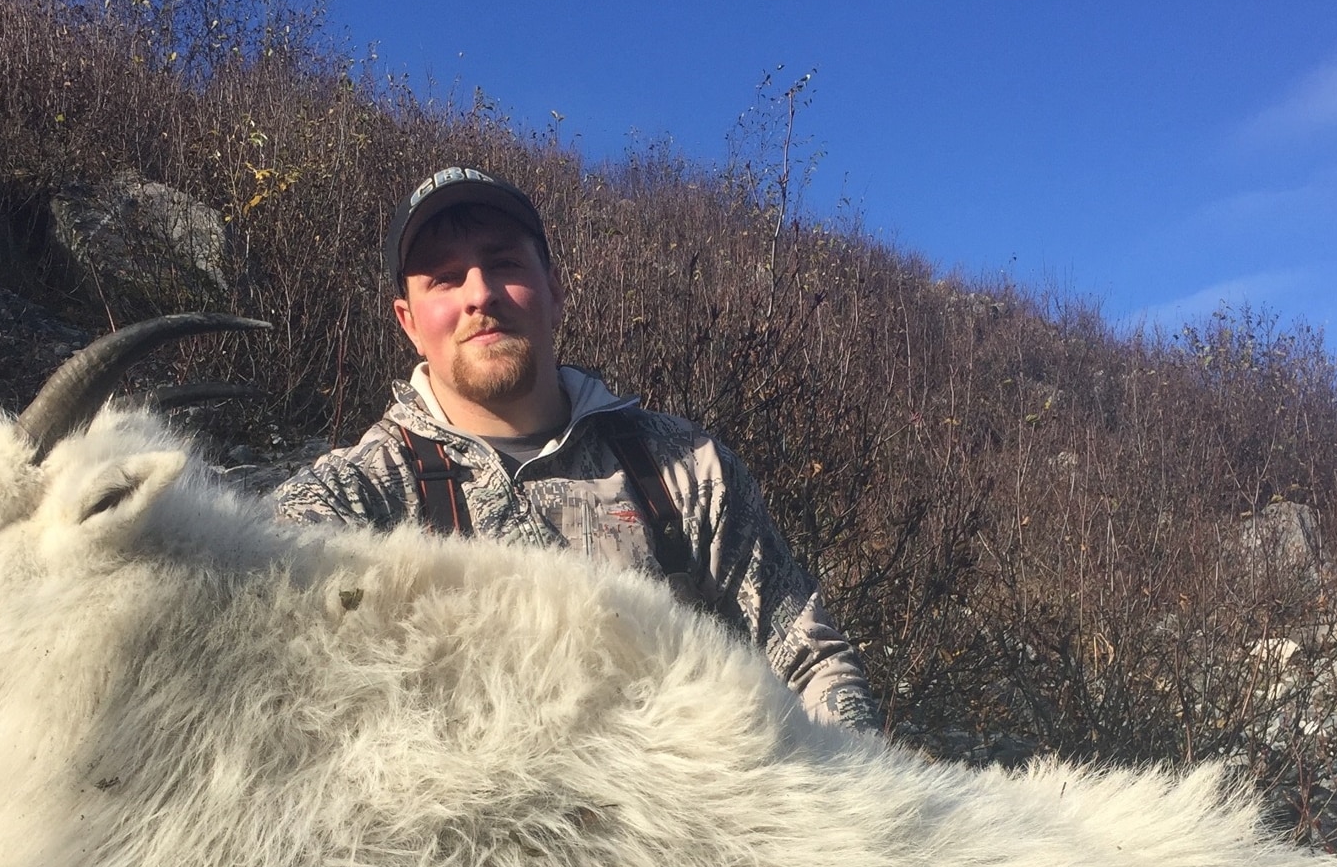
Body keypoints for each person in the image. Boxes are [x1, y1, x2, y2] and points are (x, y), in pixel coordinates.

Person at [270, 166, 882, 731]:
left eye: (504, 263)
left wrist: (847, 805)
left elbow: (810, 662)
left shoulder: (685, 469)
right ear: (407, 320)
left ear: (555, 291)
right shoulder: (354, 499)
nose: (479, 294)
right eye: (445, 278)